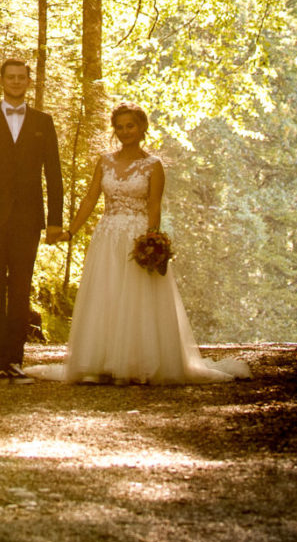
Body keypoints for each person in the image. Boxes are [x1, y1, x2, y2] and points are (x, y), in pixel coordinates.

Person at [60, 102, 251, 384]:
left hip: (137, 237)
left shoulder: (154, 165)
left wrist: (152, 241)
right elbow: (90, 198)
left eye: (130, 126)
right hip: (107, 235)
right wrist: (71, 231)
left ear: (142, 128)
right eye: (120, 127)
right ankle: (97, 363)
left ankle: (135, 363)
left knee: (137, 299)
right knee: (106, 294)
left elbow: (154, 205)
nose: (125, 132)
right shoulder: (105, 161)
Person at [0, 58, 65, 384]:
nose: (17, 82)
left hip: (28, 219)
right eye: (11, 77)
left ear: (29, 81)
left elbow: (54, 174)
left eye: (22, 77)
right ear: (2, 80)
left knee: (21, 289)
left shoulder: (42, 122)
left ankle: (16, 361)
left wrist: (54, 221)